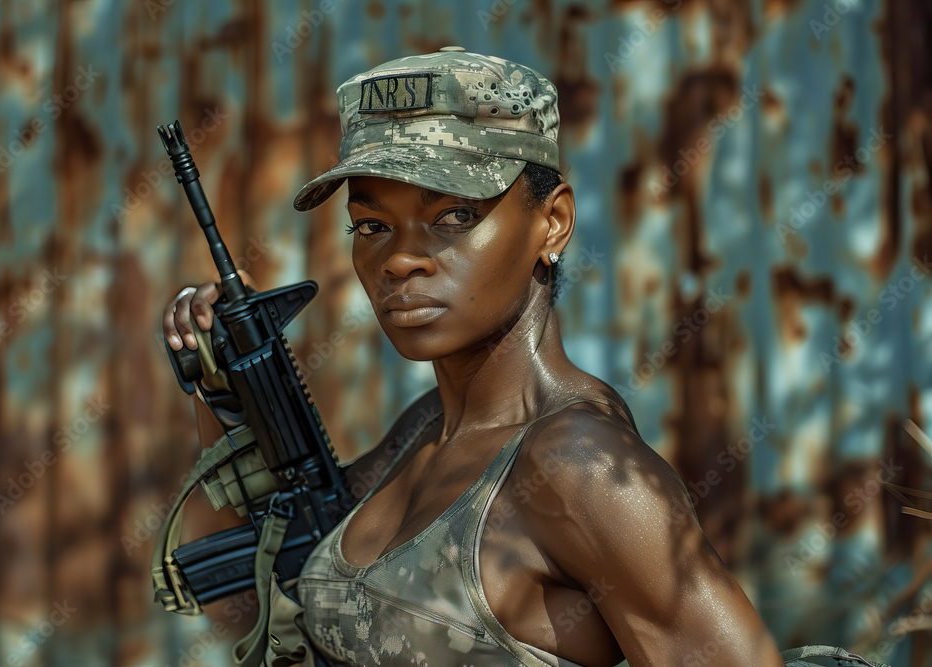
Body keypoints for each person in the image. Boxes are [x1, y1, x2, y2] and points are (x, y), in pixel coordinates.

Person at [163, 47, 786, 666]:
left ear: (554, 222)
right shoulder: (424, 430)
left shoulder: (579, 466)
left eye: (454, 215)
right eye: (371, 225)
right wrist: (219, 379)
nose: (401, 259)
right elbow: (250, 589)